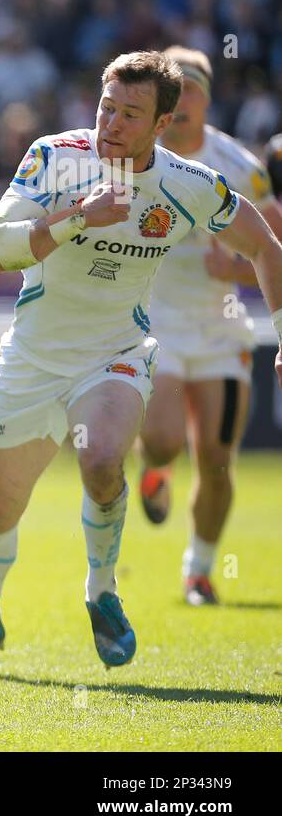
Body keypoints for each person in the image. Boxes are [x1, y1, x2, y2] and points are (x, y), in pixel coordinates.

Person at [0, 50, 282, 677]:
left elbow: (264, 246)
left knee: (100, 459)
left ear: (163, 122)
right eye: (107, 106)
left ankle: (101, 590)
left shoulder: (188, 183)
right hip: (32, 360)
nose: (111, 123)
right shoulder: (54, 157)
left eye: (130, 114)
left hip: (116, 354)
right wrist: (74, 220)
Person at [135, 47, 281, 605]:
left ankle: (198, 571)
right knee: (166, 439)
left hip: (220, 327)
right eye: (179, 88)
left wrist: (239, 268)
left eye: (196, 88)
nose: (187, 100)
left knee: (217, 460)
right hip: (154, 324)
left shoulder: (241, 166)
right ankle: (154, 468)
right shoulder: (134, 155)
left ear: (208, 97)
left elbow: (274, 250)